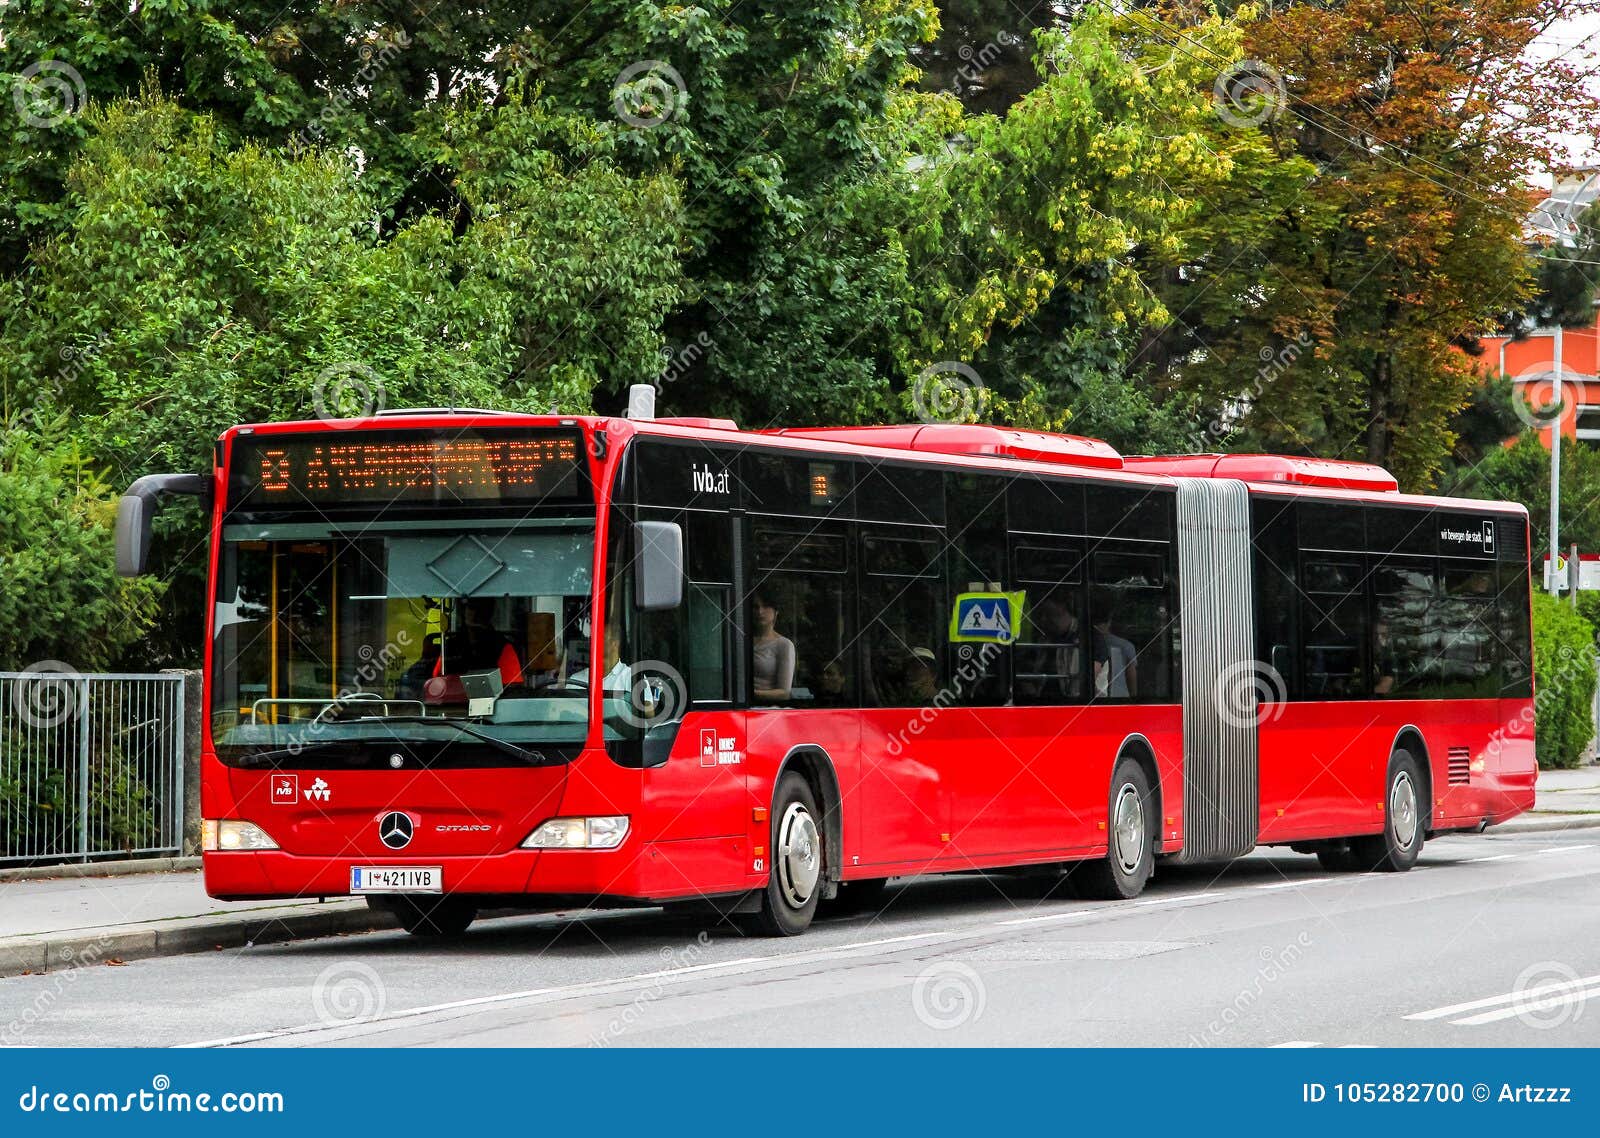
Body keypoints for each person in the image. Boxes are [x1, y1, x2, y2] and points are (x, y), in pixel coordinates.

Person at [1091, 590, 1137, 699]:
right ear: (1110, 619)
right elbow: (1132, 680)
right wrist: (1134, 699)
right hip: (1121, 701)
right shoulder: (1126, 646)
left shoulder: (1086, 642)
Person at [752, 592, 796, 703]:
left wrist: (750, 693)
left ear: (775, 612)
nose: (760, 611)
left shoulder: (784, 644)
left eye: (766, 606)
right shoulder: (741, 640)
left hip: (768, 710)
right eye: (755, 607)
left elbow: (784, 693)